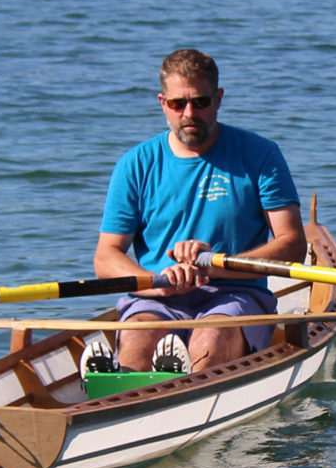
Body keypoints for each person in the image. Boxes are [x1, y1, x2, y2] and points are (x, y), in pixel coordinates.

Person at [93, 49, 306, 373]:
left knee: (209, 341)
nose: (189, 113)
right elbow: (105, 258)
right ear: (163, 103)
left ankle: (180, 381)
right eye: (179, 104)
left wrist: (213, 266)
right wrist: (157, 282)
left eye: (201, 102)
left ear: (218, 99)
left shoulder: (261, 155)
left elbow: (293, 245)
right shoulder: (134, 165)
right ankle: (127, 384)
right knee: (137, 341)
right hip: (157, 297)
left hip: (236, 295)